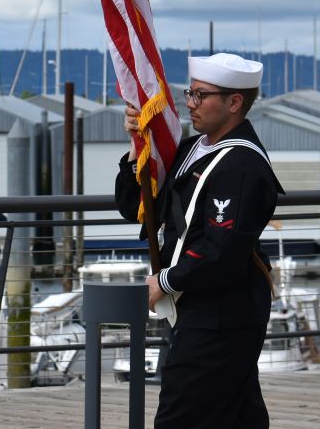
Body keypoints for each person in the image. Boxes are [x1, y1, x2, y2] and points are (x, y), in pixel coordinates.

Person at [115, 53, 283, 429]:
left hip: (223, 313)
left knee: (182, 415)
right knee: (238, 415)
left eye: (200, 95)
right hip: (204, 308)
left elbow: (220, 251)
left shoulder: (242, 165)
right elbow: (137, 206)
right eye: (190, 93)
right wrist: (135, 146)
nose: (189, 103)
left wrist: (165, 281)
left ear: (234, 102)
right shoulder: (192, 149)